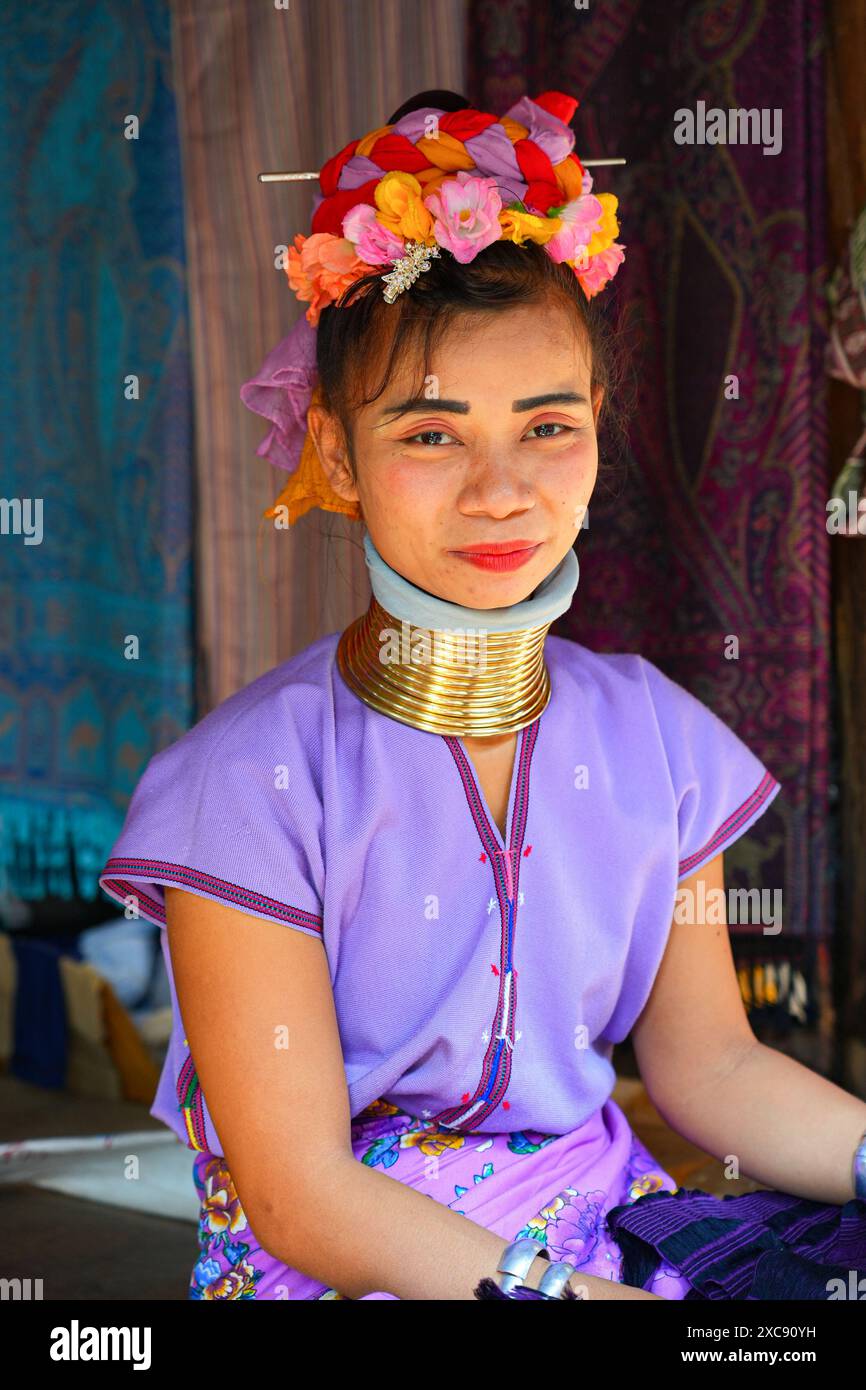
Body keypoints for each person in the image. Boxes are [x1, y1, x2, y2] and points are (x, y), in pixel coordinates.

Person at [99, 88, 866, 1301]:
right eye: (429, 435)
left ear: (599, 429)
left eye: (545, 425)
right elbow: (299, 1192)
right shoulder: (244, 785)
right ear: (337, 456)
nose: (499, 491)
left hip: (604, 1225)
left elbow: (711, 1066)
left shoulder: (650, 736)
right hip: (354, 1269)